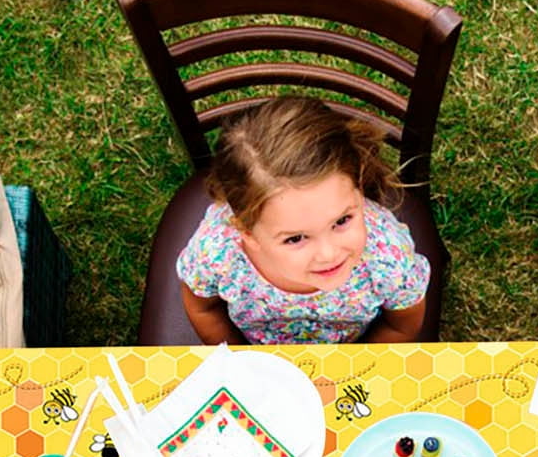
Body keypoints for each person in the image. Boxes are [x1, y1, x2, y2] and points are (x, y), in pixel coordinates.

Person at [177, 96, 430, 346]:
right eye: (296, 238)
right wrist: (242, 360)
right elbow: (203, 308)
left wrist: (355, 365)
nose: (329, 254)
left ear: (358, 188)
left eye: (342, 221)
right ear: (248, 234)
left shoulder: (388, 257)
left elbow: (402, 325)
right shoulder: (218, 252)